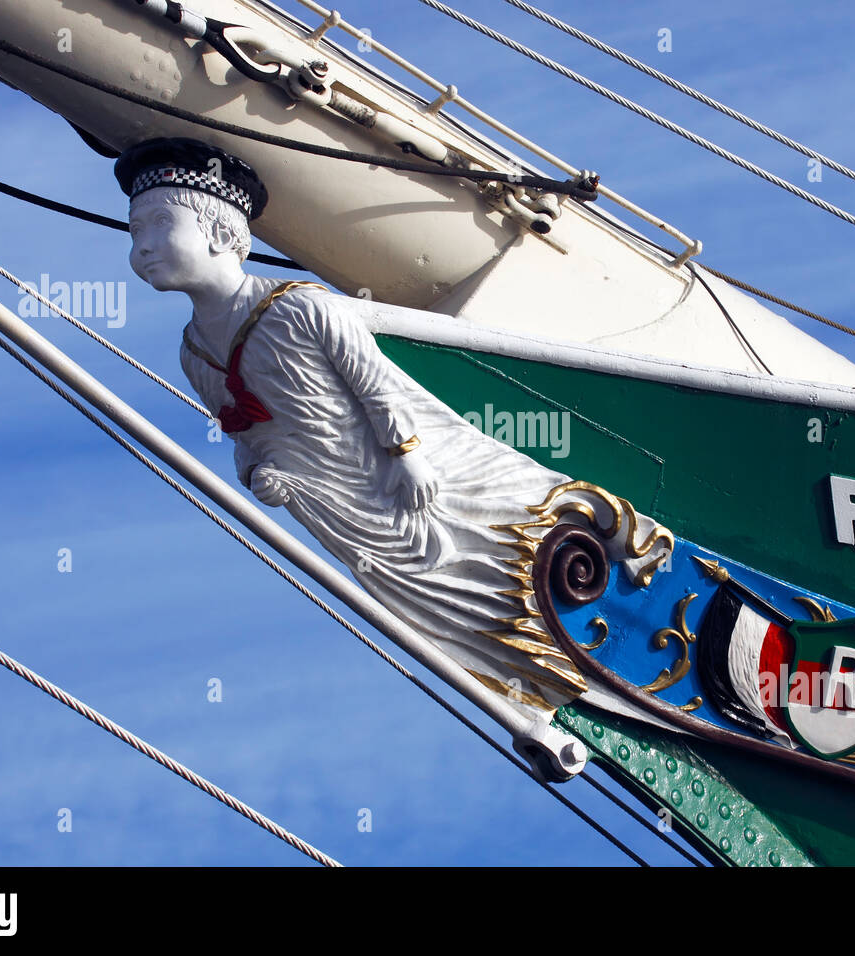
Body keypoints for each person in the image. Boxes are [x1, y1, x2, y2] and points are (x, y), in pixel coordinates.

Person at [117, 138, 631, 716]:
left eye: (160, 225)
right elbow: (244, 430)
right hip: (337, 504)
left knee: (475, 537)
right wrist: (258, 473)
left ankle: (583, 597)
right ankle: (523, 669)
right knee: (420, 592)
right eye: (135, 233)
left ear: (219, 232)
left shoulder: (300, 308)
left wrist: (407, 451)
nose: (143, 246)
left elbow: (374, 383)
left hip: (393, 469)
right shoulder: (193, 353)